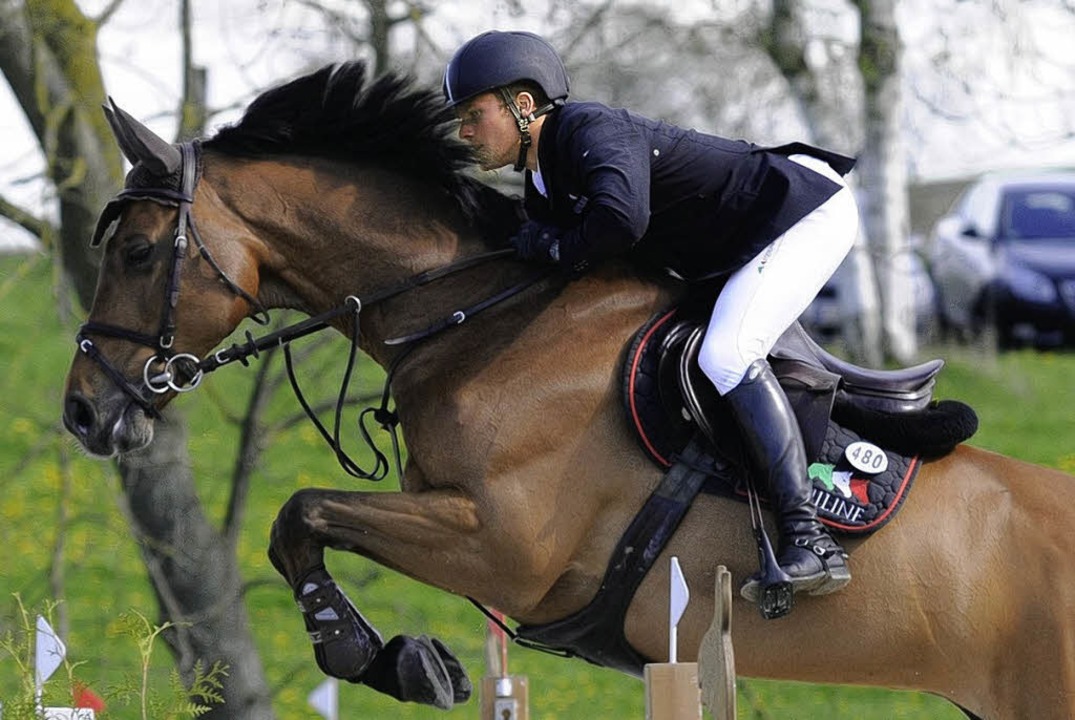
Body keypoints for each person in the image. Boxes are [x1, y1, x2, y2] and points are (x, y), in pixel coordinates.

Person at [443, 30, 857, 609]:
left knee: (727, 354)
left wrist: (550, 247)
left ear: (524, 105)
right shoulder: (542, 180)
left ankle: (810, 538)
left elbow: (620, 221)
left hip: (802, 211)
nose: (464, 131)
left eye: (473, 113)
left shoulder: (589, 131)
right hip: (737, 245)